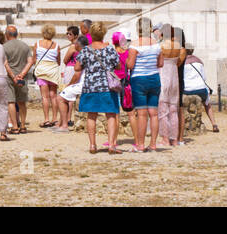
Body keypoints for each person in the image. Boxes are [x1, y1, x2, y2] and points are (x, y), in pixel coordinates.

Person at [71, 22, 123, 154]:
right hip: (107, 87)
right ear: (103, 34)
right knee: (111, 115)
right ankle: (111, 145)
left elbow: (77, 67)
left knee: (91, 115)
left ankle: (93, 145)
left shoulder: (86, 50)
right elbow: (118, 66)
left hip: (90, 86)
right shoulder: (110, 49)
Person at [127, 16, 164, 151]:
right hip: (154, 78)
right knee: (154, 113)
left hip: (139, 79)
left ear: (138, 29)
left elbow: (130, 65)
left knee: (142, 114)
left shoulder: (135, 45)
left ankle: (141, 145)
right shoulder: (156, 44)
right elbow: (160, 63)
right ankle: (153, 144)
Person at [158, 23, 186, 147]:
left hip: (163, 75)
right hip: (174, 76)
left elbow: (157, 62)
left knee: (163, 109)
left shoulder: (160, 46)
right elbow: (179, 62)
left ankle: (165, 138)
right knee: (173, 109)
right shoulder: (178, 47)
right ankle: (174, 139)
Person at [3, 25, 34, 134]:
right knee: (21, 102)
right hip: (22, 78)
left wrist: (13, 76)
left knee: (11, 101)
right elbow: (30, 61)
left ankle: (15, 126)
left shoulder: (4, 47)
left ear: (7, 35)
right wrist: (22, 74)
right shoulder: (25, 46)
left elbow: (5, 63)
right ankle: (23, 125)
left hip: (10, 77)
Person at [33, 24, 64, 127]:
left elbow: (34, 59)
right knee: (53, 96)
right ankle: (55, 119)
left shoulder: (37, 44)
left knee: (45, 97)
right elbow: (59, 61)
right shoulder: (56, 45)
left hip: (41, 71)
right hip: (53, 72)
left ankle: (46, 119)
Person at [183, 47, 218, 132]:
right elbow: (204, 77)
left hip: (187, 89)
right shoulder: (199, 61)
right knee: (207, 104)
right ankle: (214, 124)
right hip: (201, 89)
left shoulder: (182, 62)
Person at [55, 25, 82, 131]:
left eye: (70, 34)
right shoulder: (79, 46)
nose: (67, 35)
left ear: (75, 35)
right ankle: (67, 119)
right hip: (75, 68)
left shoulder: (73, 46)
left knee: (66, 93)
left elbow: (65, 60)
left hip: (71, 68)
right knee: (70, 96)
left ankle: (64, 120)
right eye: (67, 33)